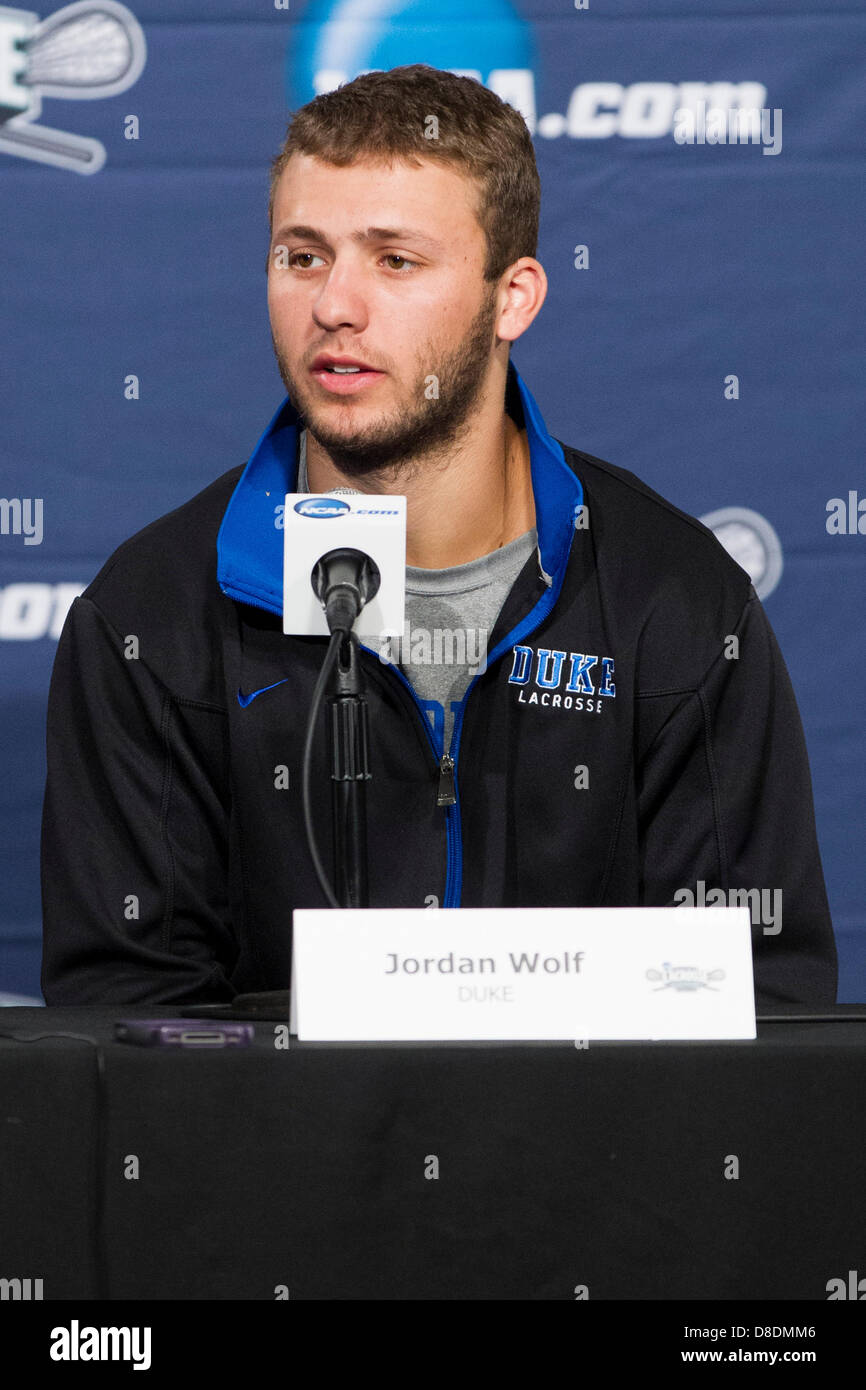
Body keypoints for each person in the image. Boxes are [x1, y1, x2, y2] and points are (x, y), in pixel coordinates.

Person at [40, 65, 836, 1007]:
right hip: (284, 1161)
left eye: (394, 260)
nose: (334, 305)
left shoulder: (678, 601)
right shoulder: (151, 619)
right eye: (302, 255)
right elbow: (133, 1037)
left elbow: (753, 1005)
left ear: (515, 299)